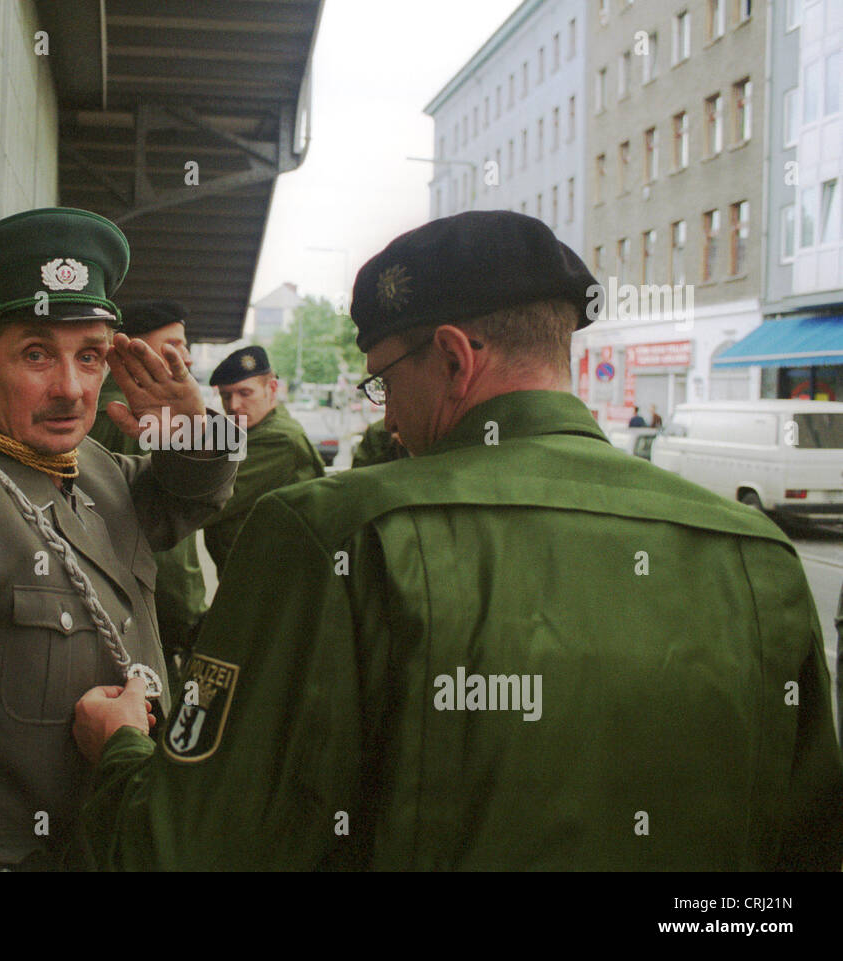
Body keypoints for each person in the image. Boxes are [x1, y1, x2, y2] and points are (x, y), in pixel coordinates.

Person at [68, 210, 843, 870]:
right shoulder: (756, 557)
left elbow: (185, 847)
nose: (389, 418)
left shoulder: (336, 535)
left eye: (385, 381)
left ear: (453, 358)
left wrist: (122, 753)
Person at [0, 207, 239, 870]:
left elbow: (191, 499)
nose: (71, 389)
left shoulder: (97, 471)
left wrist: (195, 430)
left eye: (89, 357)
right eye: (36, 354)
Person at [89, 300, 209, 675]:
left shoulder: (123, 407)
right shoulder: (130, 415)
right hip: (150, 619)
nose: (185, 358)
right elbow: (153, 527)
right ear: (130, 349)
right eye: (173, 345)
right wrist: (184, 612)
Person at [201, 346, 326, 571]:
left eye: (245, 393)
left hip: (273, 578)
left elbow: (209, 502)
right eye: (225, 395)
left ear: (272, 388)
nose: (233, 405)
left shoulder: (278, 440)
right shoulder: (251, 432)